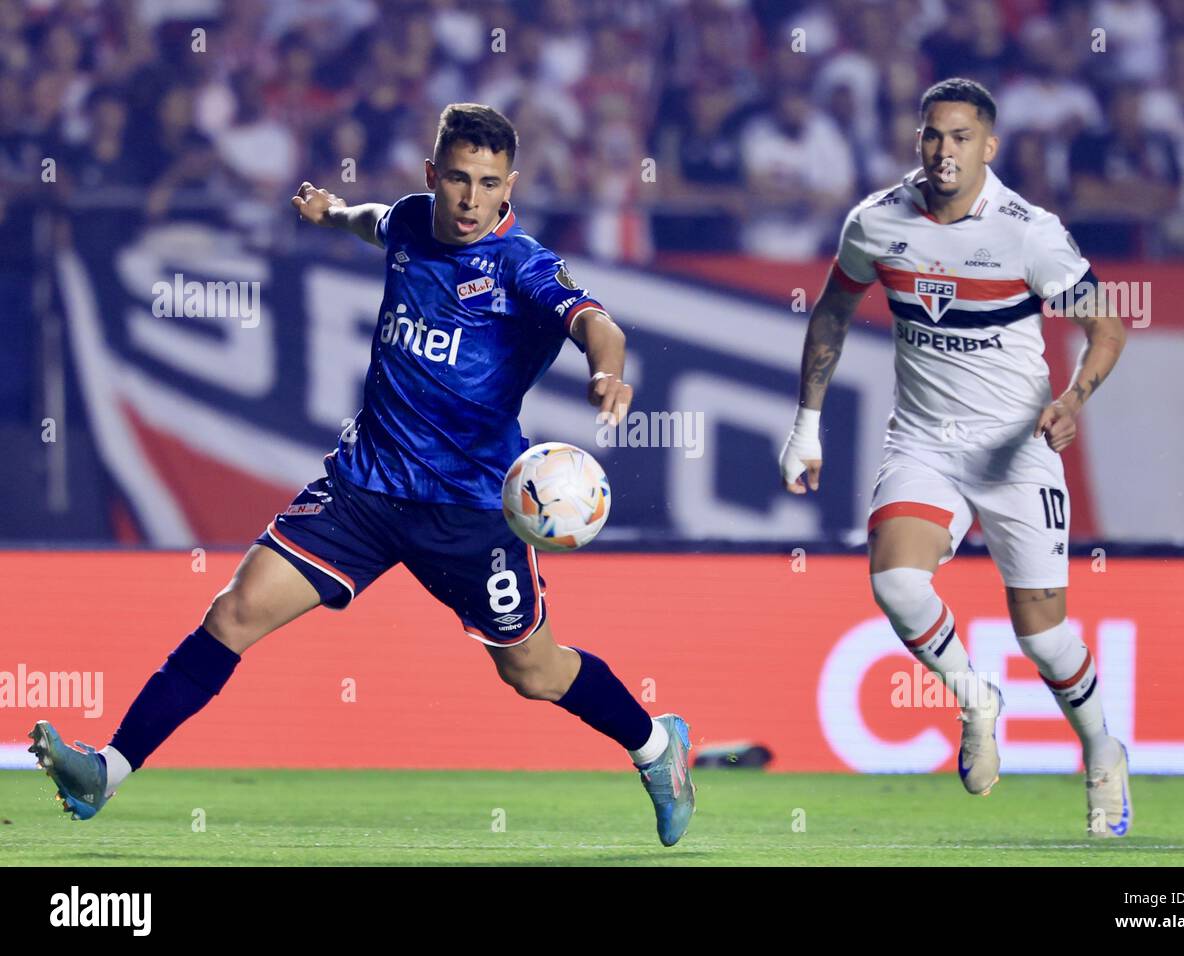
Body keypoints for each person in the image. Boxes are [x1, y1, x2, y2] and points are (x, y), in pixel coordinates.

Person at [29, 103, 696, 847]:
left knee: (534, 674)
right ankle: (106, 771)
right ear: (431, 175)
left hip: (469, 510)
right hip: (364, 490)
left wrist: (608, 372)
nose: (472, 199)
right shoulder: (414, 220)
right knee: (233, 612)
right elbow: (375, 219)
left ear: (511, 185)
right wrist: (331, 212)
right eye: (457, 179)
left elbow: (597, 322)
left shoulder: (522, 264)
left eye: (489, 183)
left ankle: (655, 747)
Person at [779, 78, 1131, 837]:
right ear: (918, 141)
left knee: (1041, 634)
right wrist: (807, 424)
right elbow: (834, 311)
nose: (945, 151)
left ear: (989, 147)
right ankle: (976, 698)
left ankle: (1103, 748)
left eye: (962, 137)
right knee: (897, 583)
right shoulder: (875, 221)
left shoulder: (1027, 232)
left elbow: (1108, 326)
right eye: (933, 135)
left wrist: (1073, 399)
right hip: (925, 439)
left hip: (1017, 447)